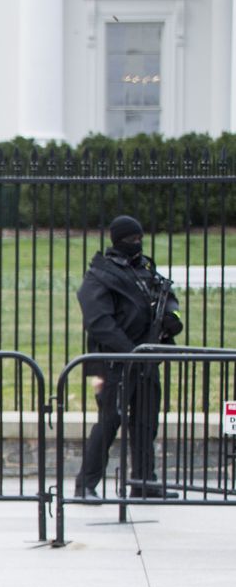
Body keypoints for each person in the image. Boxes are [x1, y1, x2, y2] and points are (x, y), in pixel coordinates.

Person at [74, 215, 182, 502]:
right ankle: (85, 484)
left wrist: (171, 317)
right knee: (110, 420)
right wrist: (129, 350)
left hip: (146, 358)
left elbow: (166, 296)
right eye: (132, 239)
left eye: (140, 238)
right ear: (118, 239)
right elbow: (98, 321)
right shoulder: (100, 274)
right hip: (113, 361)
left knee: (146, 421)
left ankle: (144, 482)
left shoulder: (145, 269)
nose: (137, 243)